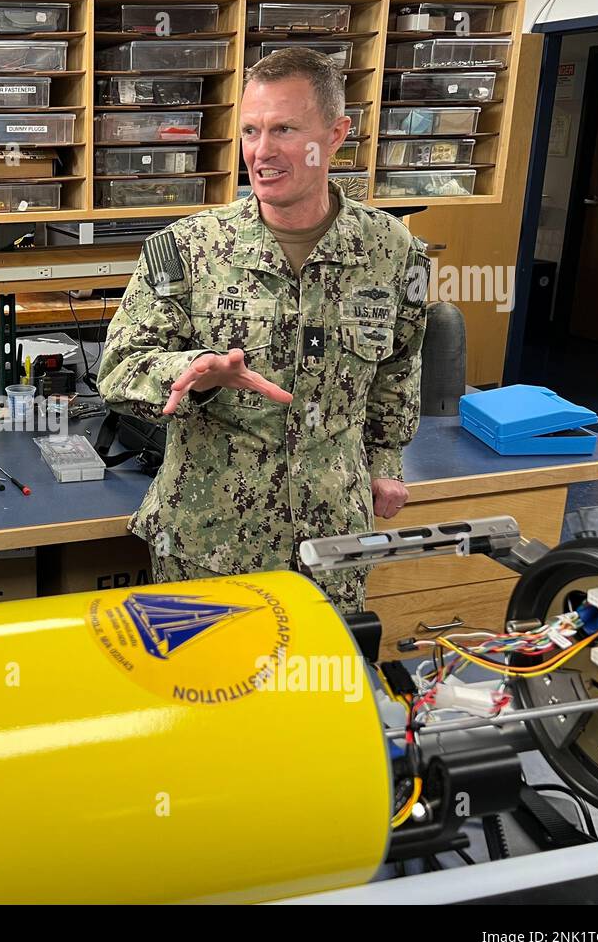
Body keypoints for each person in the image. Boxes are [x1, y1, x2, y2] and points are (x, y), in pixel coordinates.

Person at [98, 47, 429, 612]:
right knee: (206, 692)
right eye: (251, 131)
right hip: (210, 542)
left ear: (336, 134)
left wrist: (385, 461)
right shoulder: (186, 247)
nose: (261, 151)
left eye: (283, 129)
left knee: (313, 692)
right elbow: (118, 370)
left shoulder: (395, 250)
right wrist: (192, 372)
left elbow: (399, 364)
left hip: (333, 540)